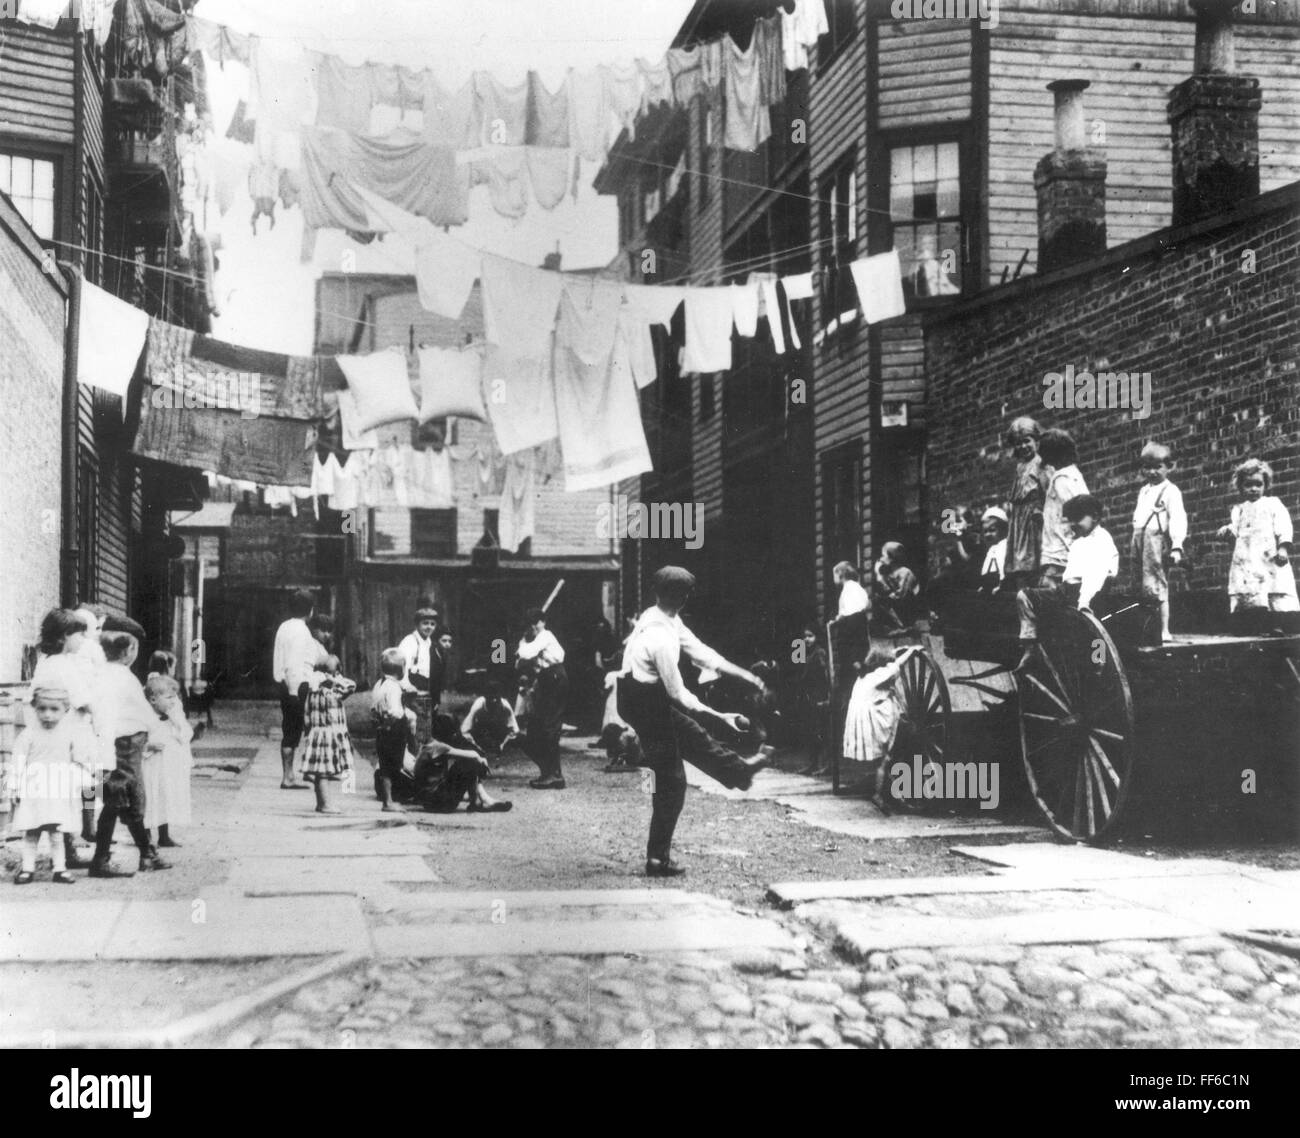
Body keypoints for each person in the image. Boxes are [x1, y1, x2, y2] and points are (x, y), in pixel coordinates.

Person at [616, 566, 772, 878]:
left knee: (694, 736)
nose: (687, 597)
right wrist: (721, 716)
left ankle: (740, 771)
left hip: (646, 699)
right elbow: (679, 695)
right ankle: (657, 859)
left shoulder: (665, 618)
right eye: (685, 593)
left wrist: (747, 676)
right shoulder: (659, 636)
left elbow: (703, 653)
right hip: (643, 704)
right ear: (680, 596)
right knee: (672, 780)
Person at [91, 631, 172, 877]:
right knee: (128, 798)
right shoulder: (126, 679)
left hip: (107, 744)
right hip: (127, 743)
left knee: (118, 799)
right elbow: (144, 713)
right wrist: (156, 732)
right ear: (129, 652)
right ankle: (109, 859)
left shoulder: (99, 675)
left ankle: (146, 854)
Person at [1017, 494, 1119, 668]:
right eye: (1070, 520)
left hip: (1091, 593)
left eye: (1077, 519)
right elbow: (1069, 574)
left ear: (1095, 517)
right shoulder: (1079, 543)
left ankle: (1099, 664)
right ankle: (1030, 644)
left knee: (1097, 628)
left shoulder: (1101, 540)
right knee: (1024, 596)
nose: (1072, 524)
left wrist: (1085, 601)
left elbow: (1095, 575)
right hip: (1067, 591)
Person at [6, 685, 94, 884]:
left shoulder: (69, 733)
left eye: (54, 709)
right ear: (35, 708)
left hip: (57, 788)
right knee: (32, 830)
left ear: (65, 710)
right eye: (42, 709)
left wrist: (85, 772)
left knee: (56, 831)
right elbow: (17, 761)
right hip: (34, 788)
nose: (47, 715)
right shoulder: (28, 734)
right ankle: (27, 869)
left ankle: (60, 869)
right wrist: (14, 787)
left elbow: (79, 758)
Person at [30, 609, 98, 863]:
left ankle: (68, 847)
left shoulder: (46, 663)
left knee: (63, 792)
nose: (82, 640)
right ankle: (69, 850)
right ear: (64, 637)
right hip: (69, 735)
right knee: (71, 792)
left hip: (52, 736)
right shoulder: (64, 666)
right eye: (78, 635)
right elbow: (84, 701)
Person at [842, 646, 922, 811]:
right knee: (884, 760)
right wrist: (911, 651)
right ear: (881, 665)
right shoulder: (877, 676)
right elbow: (897, 664)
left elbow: (890, 658)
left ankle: (892, 793)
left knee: (884, 760)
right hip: (875, 723)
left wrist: (900, 649)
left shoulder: (864, 676)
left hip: (866, 722)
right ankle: (879, 795)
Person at [1217, 457, 1297, 614]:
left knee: (1272, 587)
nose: (1253, 489)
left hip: (1268, 555)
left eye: (1258, 484)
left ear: (1265, 485)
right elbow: (1236, 530)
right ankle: (1253, 620)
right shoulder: (1239, 509)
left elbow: (1283, 526)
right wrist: (1227, 531)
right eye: (1248, 485)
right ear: (1241, 487)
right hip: (1247, 557)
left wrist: (1283, 549)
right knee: (1249, 589)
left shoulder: (1272, 504)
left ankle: (1277, 621)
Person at [1131, 442, 1188, 642]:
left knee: (1157, 585)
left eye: (1158, 467)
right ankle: (1147, 629)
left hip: (1155, 540)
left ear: (1169, 466)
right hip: (1139, 538)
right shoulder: (1144, 491)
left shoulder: (1171, 491)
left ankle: (1164, 629)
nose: (1152, 471)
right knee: (1141, 585)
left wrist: (1176, 546)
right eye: (1147, 467)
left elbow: (1178, 518)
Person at [272, 589, 327, 790]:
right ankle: (288, 776)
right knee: (294, 730)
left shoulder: (284, 627)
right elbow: (294, 664)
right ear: (310, 610)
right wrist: (295, 692)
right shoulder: (301, 631)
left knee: (290, 728)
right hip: (296, 685)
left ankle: (289, 774)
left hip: (285, 683)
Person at [411, 713, 511, 814]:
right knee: (469, 762)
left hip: (429, 802)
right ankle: (479, 801)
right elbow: (473, 755)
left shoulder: (431, 744)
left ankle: (482, 799)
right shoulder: (438, 746)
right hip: (438, 802)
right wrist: (481, 759)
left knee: (466, 762)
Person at [516, 608, 568, 789]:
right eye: (533, 624)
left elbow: (525, 655)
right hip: (545, 680)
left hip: (555, 677)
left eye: (538, 622)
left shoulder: (546, 635)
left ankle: (554, 775)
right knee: (536, 729)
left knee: (550, 726)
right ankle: (548, 771)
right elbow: (519, 663)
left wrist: (523, 641)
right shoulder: (534, 639)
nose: (537, 626)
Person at [299, 656, 357, 816]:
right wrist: (334, 680)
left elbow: (306, 715)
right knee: (324, 773)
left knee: (320, 772)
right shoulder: (332, 692)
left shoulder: (312, 691)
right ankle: (326, 804)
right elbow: (351, 686)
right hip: (329, 735)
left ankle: (321, 803)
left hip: (316, 734)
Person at [142, 674, 193, 849]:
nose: (173, 701)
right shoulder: (145, 717)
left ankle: (164, 835)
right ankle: (145, 836)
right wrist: (148, 746)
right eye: (169, 697)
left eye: (175, 697)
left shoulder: (174, 716)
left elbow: (186, 735)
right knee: (150, 798)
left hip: (168, 767)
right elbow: (139, 742)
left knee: (165, 798)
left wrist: (177, 721)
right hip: (150, 766)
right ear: (153, 699)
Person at [1004, 416, 1050, 589]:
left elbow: (1048, 493)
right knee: (1019, 567)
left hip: (1034, 523)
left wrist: (1040, 511)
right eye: (1018, 443)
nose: (1022, 447)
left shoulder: (1041, 464)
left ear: (1036, 441)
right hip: (1018, 524)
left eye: (1026, 441)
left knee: (1034, 564)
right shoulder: (1019, 467)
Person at [1039, 428, 1089, 587]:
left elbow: (1077, 508)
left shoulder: (1062, 479)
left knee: (1051, 587)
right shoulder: (1074, 474)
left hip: (1059, 548)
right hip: (1068, 548)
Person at [371, 648, 418, 812]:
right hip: (393, 731)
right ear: (401, 670)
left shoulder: (379, 684)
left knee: (384, 766)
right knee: (393, 766)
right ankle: (389, 801)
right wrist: (392, 722)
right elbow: (396, 711)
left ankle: (387, 799)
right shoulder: (394, 687)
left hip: (381, 730)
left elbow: (373, 708)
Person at [789, 623, 830, 775]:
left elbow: (826, 676)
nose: (807, 639)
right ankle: (812, 763)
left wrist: (827, 697)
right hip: (809, 696)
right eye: (804, 636)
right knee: (811, 731)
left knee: (821, 731)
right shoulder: (804, 652)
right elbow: (799, 671)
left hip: (819, 695)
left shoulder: (820, 653)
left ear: (817, 637)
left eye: (810, 636)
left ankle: (825, 765)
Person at [461, 677, 520, 758]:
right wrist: (477, 746)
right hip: (481, 730)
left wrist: (503, 745)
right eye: (491, 698)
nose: (494, 701)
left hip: (498, 730)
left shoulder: (505, 706)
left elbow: (515, 730)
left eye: (496, 698)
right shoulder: (478, 706)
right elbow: (464, 730)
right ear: (485, 697)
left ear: (500, 697)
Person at [873, 542, 920, 633]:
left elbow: (901, 595)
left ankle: (903, 627)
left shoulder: (905, 572)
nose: (881, 559)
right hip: (894, 607)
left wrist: (885, 598)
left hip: (906, 609)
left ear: (892, 557)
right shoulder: (886, 574)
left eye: (884, 555)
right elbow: (884, 589)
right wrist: (879, 574)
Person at [397, 605, 441, 695]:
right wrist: (406, 686)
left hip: (425, 684)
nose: (429, 627)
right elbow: (401, 667)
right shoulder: (410, 641)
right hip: (410, 684)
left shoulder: (429, 642)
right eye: (425, 623)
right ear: (417, 625)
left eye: (432, 624)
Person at [979, 507, 1009, 591]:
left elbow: (1002, 566)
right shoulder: (991, 549)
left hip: (1002, 586)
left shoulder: (1004, 546)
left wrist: (1001, 585)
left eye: (992, 530)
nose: (988, 534)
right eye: (985, 531)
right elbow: (987, 567)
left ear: (1002, 530)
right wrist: (983, 585)